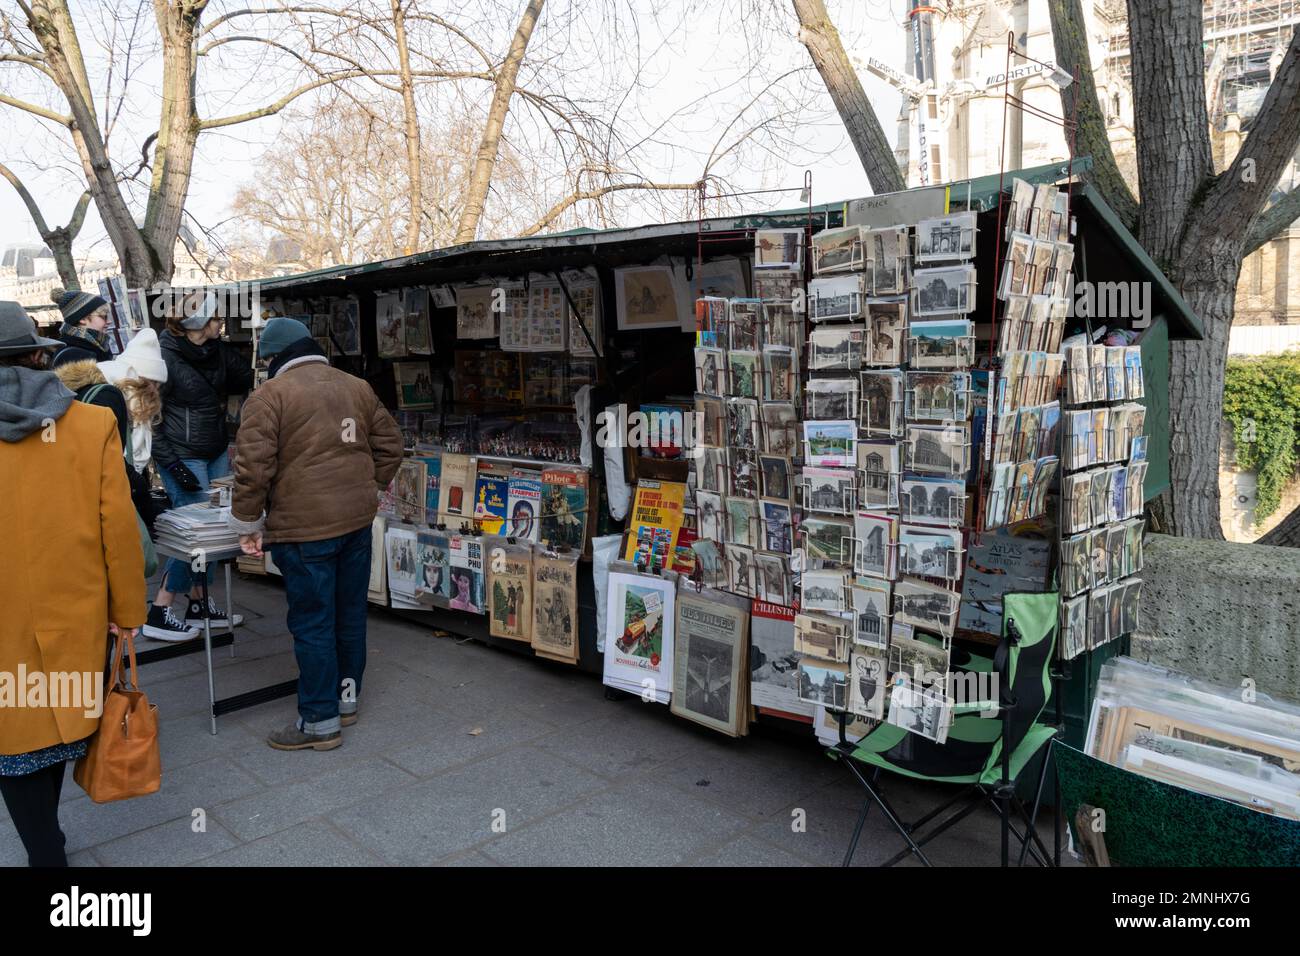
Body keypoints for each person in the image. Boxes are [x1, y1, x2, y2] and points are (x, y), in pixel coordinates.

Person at [0, 301, 145, 866]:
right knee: (57, 724)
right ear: (40, 354)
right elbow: (119, 529)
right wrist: (129, 610)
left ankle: (44, 847)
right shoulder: (91, 423)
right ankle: (47, 845)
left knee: (13, 739)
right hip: (74, 613)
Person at [230, 318, 401, 751]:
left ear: (274, 358)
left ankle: (319, 720)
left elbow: (252, 468)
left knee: (313, 624)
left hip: (303, 530)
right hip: (356, 522)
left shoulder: (269, 396)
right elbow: (391, 446)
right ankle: (347, 700)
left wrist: (247, 523)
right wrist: (370, 486)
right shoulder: (355, 386)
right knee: (348, 616)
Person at [146, 302, 253, 641]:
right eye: (216, 318)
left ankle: (199, 604)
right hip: (183, 453)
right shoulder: (163, 357)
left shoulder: (215, 350)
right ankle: (160, 610)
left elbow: (248, 374)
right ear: (197, 323)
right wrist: (173, 464)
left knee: (215, 530)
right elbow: (148, 416)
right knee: (194, 535)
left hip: (215, 449)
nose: (222, 323)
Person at [53, 327, 168, 533]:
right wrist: (141, 496)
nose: (155, 390)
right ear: (140, 378)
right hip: (95, 493)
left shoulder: (124, 395)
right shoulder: (108, 396)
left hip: (103, 489)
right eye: (153, 383)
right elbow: (103, 455)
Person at [48, 288, 114, 368]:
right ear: (82, 319)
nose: (109, 321)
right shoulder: (72, 356)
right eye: (104, 316)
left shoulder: (96, 344)